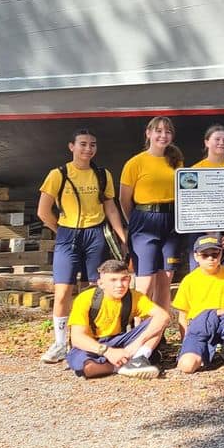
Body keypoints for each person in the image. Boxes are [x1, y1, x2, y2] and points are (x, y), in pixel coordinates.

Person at [37, 128, 127, 364]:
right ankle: (59, 343)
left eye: (92, 144)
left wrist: (122, 235)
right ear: (72, 147)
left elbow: (110, 207)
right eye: (83, 144)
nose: (88, 149)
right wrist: (61, 231)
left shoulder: (102, 174)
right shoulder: (59, 174)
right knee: (63, 290)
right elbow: (43, 211)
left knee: (93, 289)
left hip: (95, 234)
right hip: (68, 234)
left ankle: (88, 337)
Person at [66, 259, 171, 379]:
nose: (120, 285)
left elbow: (163, 316)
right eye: (113, 280)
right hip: (93, 344)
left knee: (156, 322)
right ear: (101, 283)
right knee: (87, 368)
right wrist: (108, 352)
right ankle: (120, 367)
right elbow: (77, 338)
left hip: (120, 341)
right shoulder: (85, 299)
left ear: (129, 280)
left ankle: (139, 359)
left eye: (124, 279)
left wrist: (136, 344)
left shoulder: (135, 297)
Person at [120, 115, 183, 311]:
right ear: (148, 134)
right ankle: (140, 330)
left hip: (171, 220)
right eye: (158, 131)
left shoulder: (176, 161)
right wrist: (135, 222)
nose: (163, 135)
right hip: (144, 220)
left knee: (166, 279)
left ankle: (159, 331)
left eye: (168, 131)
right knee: (145, 281)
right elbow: (124, 199)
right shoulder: (135, 163)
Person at [174, 236, 224, 373]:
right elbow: (182, 316)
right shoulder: (189, 281)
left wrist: (216, 313)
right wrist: (185, 341)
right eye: (205, 255)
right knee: (187, 366)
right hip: (199, 324)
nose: (210, 258)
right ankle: (197, 351)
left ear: (221, 254)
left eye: (215, 254)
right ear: (196, 256)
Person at [184, 123, 224, 272]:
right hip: (201, 232)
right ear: (206, 142)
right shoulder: (194, 171)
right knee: (202, 276)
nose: (221, 143)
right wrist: (208, 230)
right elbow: (190, 206)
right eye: (217, 139)